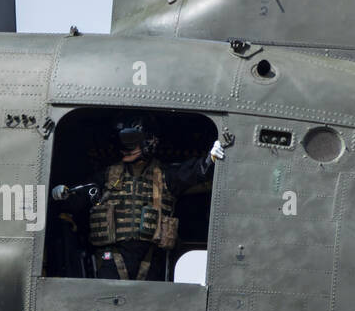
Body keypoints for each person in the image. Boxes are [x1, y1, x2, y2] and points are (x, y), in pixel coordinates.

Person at [52, 115, 225, 281]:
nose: (125, 146)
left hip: (151, 257)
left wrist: (211, 158)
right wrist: (63, 195)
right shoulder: (106, 176)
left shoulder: (165, 175)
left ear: (149, 141)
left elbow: (194, 172)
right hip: (111, 257)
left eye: (131, 140)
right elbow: (78, 198)